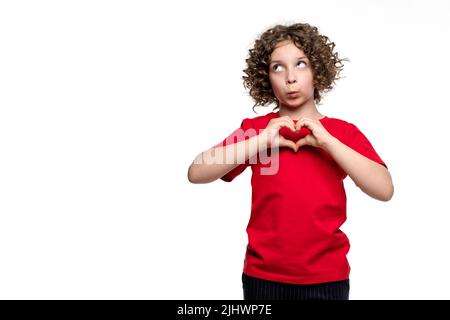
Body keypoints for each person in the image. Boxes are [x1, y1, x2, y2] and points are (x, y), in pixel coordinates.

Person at [187, 22, 394, 300]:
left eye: (300, 64)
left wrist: (328, 142)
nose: (290, 78)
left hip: (327, 278)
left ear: (317, 72)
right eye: (277, 67)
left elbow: (384, 189)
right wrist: (260, 141)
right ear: (266, 78)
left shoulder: (343, 133)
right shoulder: (257, 130)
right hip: (262, 277)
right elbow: (196, 171)